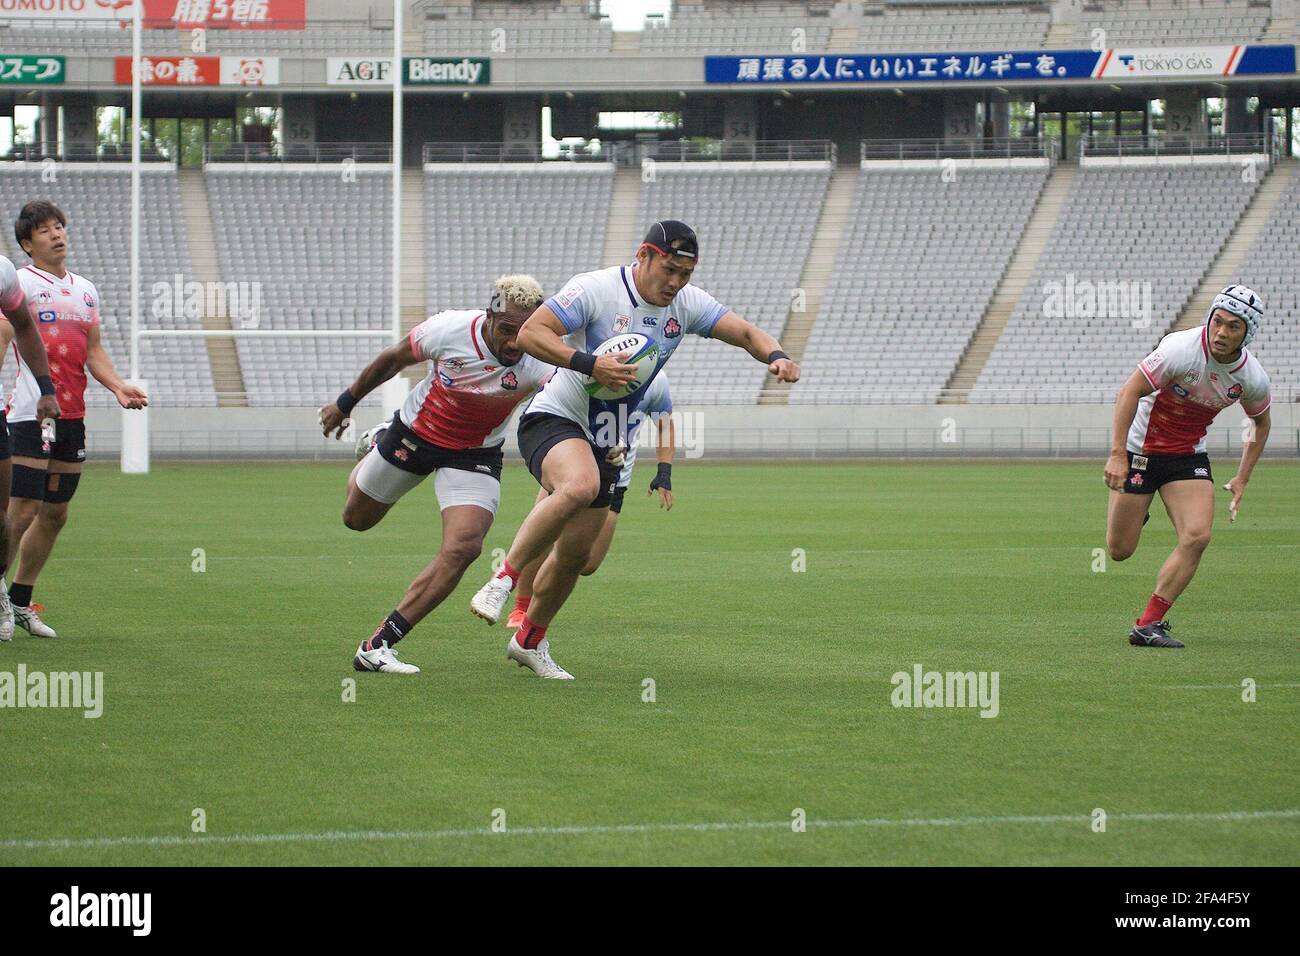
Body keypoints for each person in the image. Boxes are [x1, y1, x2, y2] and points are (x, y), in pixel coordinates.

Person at [468, 220, 800, 679]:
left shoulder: (686, 305)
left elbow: (744, 332)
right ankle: (502, 580)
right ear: (644, 255)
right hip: (556, 415)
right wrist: (590, 363)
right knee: (580, 485)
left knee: (577, 558)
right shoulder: (597, 289)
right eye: (669, 270)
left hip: (609, 441)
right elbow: (531, 335)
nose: (676, 283)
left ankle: (530, 641)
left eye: (685, 275)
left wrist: (775, 356)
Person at [318, 275, 552, 674]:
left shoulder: (542, 358)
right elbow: (393, 359)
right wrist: (345, 403)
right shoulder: (450, 329)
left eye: (525, 332)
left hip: (474, 453)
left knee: (464, 547)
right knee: (356, 519)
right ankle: (380, 443)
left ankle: (378, 646)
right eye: (507, 330)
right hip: (415, 435)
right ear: (489, 316)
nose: (515, 342)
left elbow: (562, 406)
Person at [7, 201, 146, 639]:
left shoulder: (85, 289)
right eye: (45, 230)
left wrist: (117, 385)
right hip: (30, 412)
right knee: (21, 510)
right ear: (27, 244)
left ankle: (20, 601)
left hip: (72, 415)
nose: (56, 234)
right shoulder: (19, 284)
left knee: (56, 512)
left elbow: (93, 350)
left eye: (60, 226)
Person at [1103, 285, 1272, 649]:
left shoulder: (1251, 378)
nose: (1221, 333)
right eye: (1218, 322)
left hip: (1187, 457)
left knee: (1197, 536)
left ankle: (1147, 625)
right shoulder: (1179, 349)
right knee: (1119, 550)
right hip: (1140, 451)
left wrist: (1242, 477)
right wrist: (1118, 453)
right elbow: (1129, 392)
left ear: (1248, 333)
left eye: (1233, 327)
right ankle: (1136, 511)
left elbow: (1261, 424)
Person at [506, 372, 676, 630]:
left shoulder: (656, 379)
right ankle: (521, 609)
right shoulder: (593, 362)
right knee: (542, 538)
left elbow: (665, 424)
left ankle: (548, 570)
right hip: (573, 467)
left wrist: (664, 472)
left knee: (586, 563)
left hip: (615, 478)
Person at [0, 251, 62, 640]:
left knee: (1, 516)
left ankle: (1, 597)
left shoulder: (3, 271)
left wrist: (46, 388)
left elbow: (25, 326)